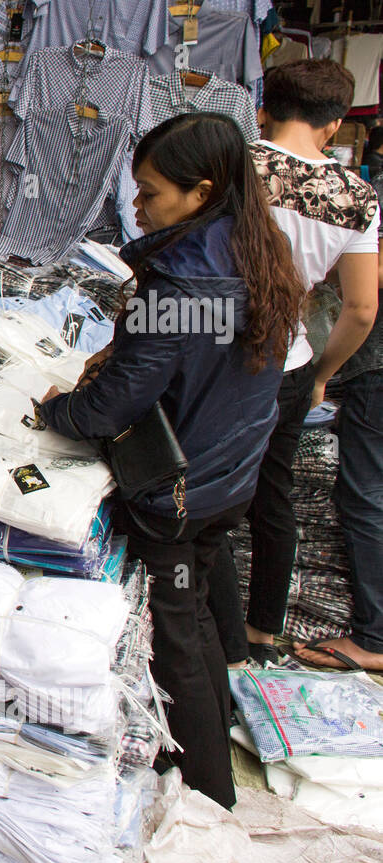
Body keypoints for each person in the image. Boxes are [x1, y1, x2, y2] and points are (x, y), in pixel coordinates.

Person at [38, 113, 303, 809]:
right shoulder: (253, 248)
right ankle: (219, 741)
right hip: (227, 473)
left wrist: (54, 411)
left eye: (151, 194)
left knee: (176, 633)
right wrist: (133, 351)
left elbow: (113, 407)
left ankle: (212, 796)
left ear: (200, 191)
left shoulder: (181, 281)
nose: (137, 207)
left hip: (177, 494)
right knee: (200, 615)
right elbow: (198, 354)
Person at [206, 59, 379, 667]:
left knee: (205, 498)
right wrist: (322, 374)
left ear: (262, 107)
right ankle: (260, 633)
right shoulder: (357, 196)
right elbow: (360, 307)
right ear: (333, 126)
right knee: (271, 500)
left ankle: (214, 635)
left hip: (213, 354)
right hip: (291, 359)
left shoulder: (231, 166)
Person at [295, 242, 383, 671]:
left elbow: (364, 302)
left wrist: (339, 264)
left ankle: (374, 639)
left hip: (377, 370)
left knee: (367, 500)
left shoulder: (364, 200)